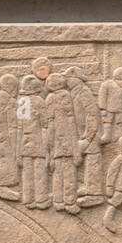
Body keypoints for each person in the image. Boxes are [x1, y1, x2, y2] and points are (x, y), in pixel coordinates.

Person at [65, 66, 105, 207]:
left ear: (76, 79)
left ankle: (95, 195)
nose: (67, 82)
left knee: (93, 163)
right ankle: (89, 188)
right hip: (83, 135)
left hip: (91, 135)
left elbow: (92, 116)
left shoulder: (84, 93)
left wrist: (88, 137)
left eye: (69, 79)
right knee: (88, 164)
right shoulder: (75, 92)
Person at [45, 73, 81, 215]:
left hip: (56, 142)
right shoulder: (64, 96)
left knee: (58, 173)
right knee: (68, 174)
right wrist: (76, 150)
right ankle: (69, 202)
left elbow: (50, 124)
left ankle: (58, 201)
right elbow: (70, 122)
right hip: (65, 142)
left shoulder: (49, 98)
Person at [17, 74, 50, 209]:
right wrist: (47, 145)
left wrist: (18, 148)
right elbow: (44, 124)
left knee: (27, 172)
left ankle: (28, 199)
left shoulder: (22, 101)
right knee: (39, 171)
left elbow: (20, 126)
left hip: (25, 140)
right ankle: (41, 199)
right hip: (38, 140)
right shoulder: (39, 101)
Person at [0, 73, 21, 201]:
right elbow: (12, 119)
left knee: (8, 160)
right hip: (6, 136)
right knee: (7, 160)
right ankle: (2, 187)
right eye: (15, 86)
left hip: (4, 135)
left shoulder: (4, 97)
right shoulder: (6, 98)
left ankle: (9, 185)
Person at [98, 66, 122, 143]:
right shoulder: (107, 85)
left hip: (120, 110)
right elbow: (102, 97)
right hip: (109, 109)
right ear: (115, 79)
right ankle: (107, 136)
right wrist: (103, 109)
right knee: (107, 121)